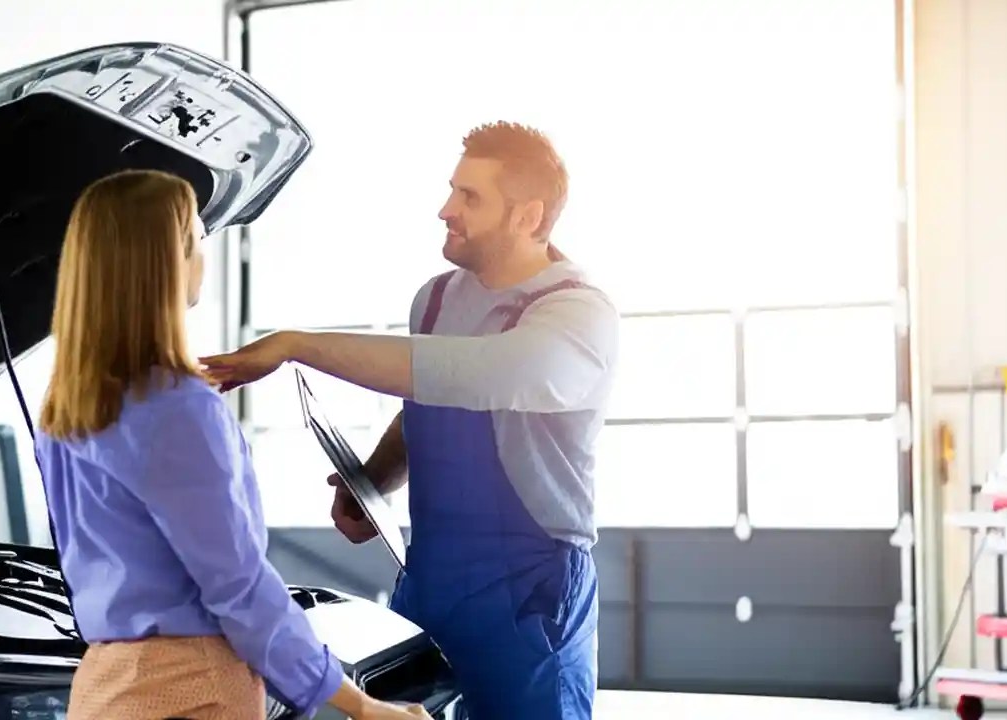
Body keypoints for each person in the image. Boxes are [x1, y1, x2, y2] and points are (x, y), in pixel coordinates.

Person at [200, 121, 620, 720]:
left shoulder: (579, 313)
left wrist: (296, 344)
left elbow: (471, 375)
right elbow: (426, 398)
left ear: (528, 217)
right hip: (432, 573)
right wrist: (373, 479)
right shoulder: (436, 298)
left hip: (531, 589)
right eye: (452, 189)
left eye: (469, 197)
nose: (446, 210)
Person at [34, 169, 430, 720]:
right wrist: (360, 706)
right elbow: (238, 590)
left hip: (104, 689)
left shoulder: (62, 408)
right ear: (163, 263)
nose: (206, 253)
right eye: (197, 237)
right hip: (191, 690)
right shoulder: (177, 409)